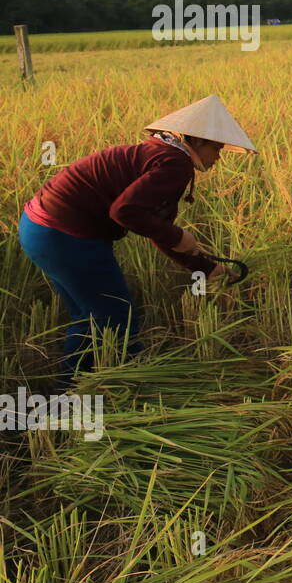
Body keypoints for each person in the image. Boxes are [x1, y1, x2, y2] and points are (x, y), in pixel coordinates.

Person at [18, 94, 256, 389]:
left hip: (38, 229)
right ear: (196, 141)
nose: (218, 157)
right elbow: (124, 212)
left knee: (90, 315)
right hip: (66, 236)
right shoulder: (175, 163)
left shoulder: (160, 153)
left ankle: (71, 390)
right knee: (116, 314)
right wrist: (178, 236)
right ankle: (129, 387)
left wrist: (206, 268)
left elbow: (152, 225)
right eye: (217, 148)